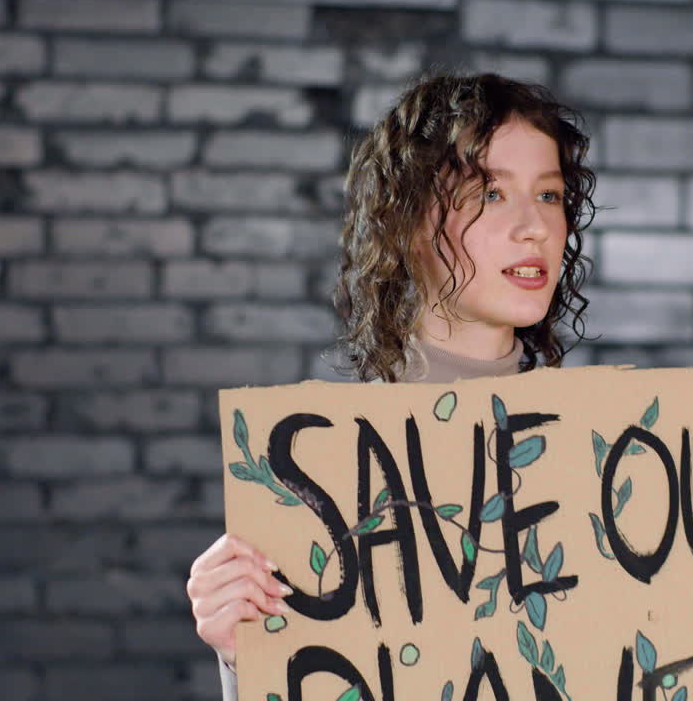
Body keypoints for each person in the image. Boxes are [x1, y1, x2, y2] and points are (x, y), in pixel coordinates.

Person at [184, 73, 597, 700]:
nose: (534, 226)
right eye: (489, 192)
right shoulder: (313, 471)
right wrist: (247, 655)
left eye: (548, 194)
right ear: (405, 221)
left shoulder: (607, 453)